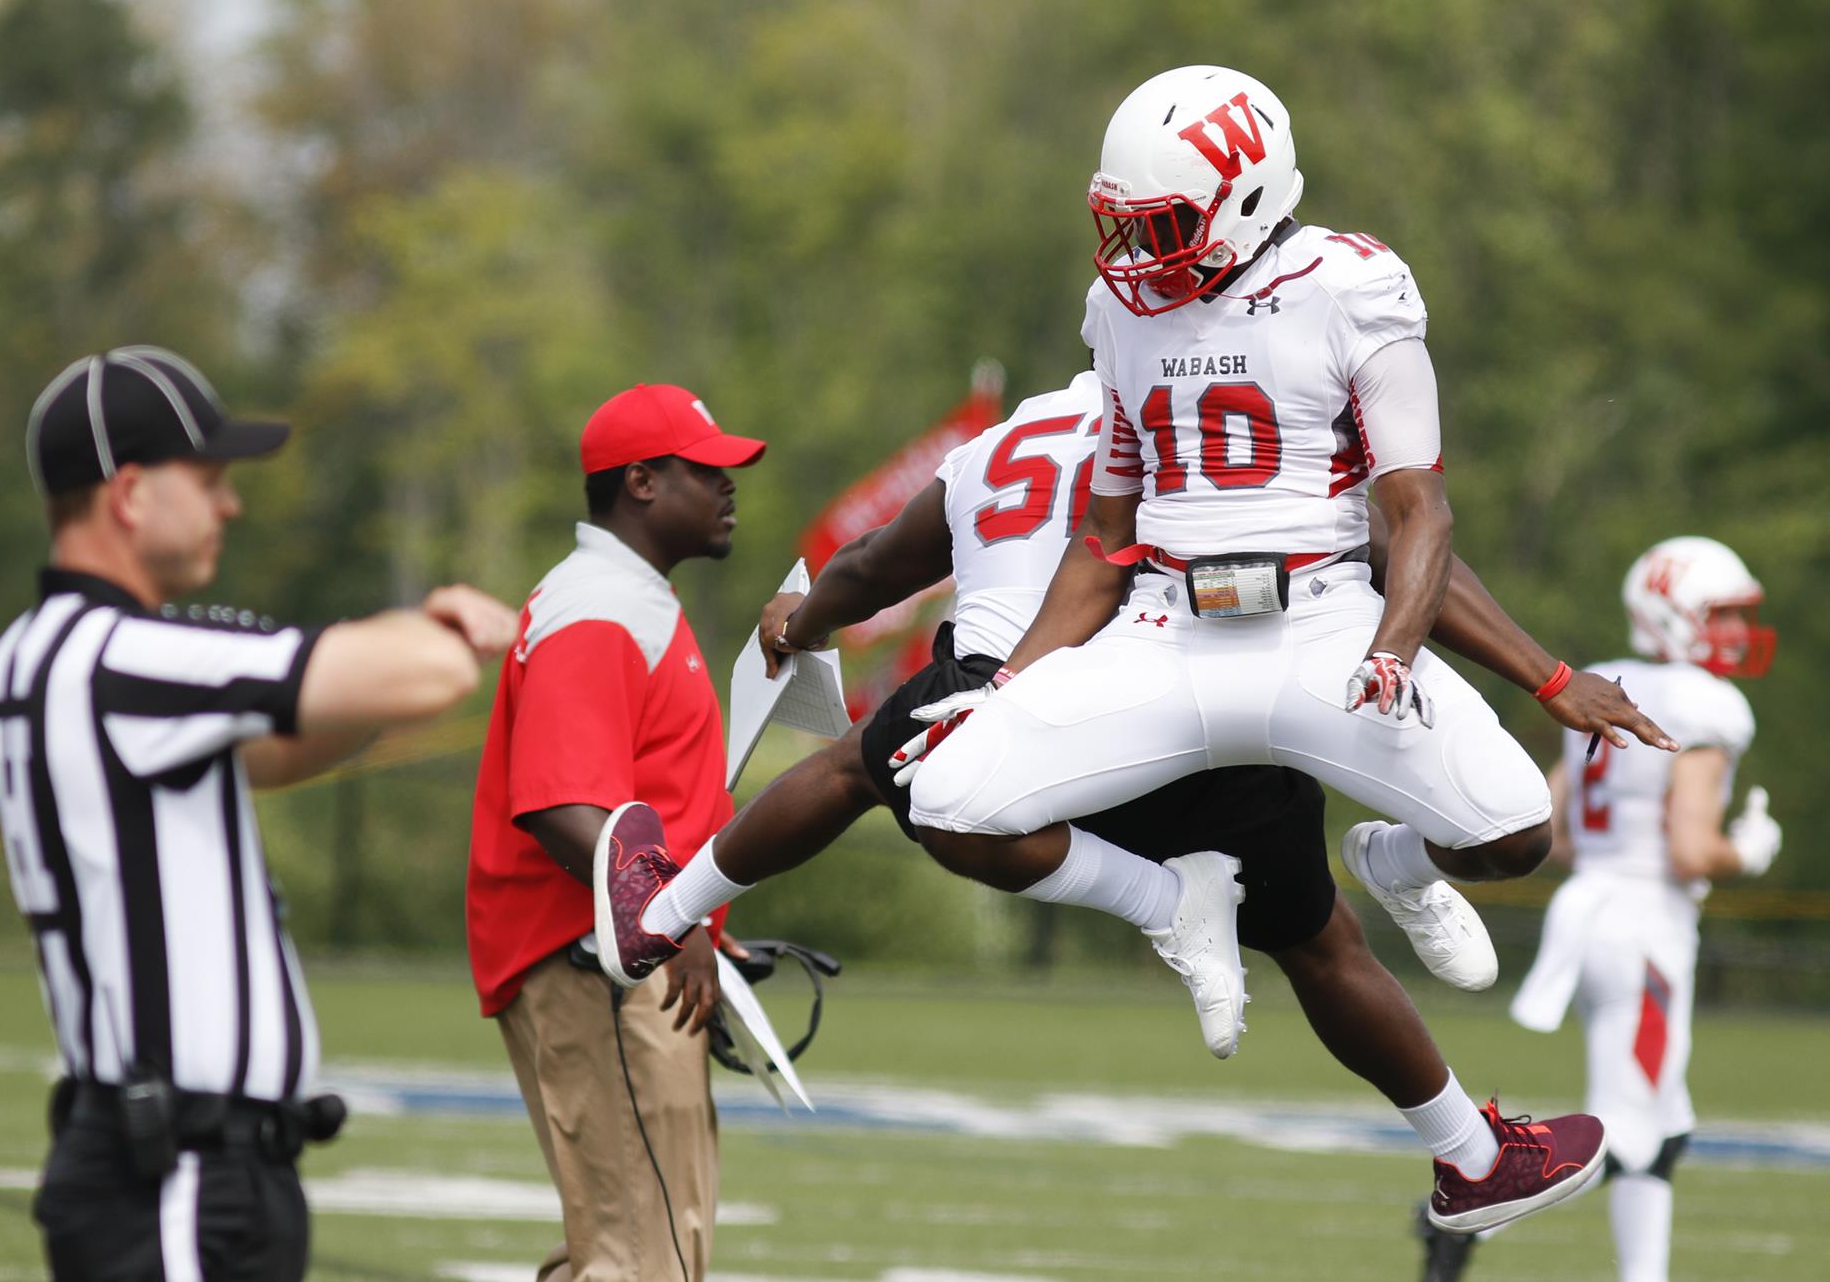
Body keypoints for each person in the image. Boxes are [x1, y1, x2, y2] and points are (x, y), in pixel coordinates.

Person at [597, 368, 1664, 1235]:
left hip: (1026, 707)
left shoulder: (1003, 440)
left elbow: (875, 564)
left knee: (864, 771)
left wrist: (799, 621)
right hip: (1171, 701)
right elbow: (1390, 545)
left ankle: (667, 907)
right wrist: (1538, 671)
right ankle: (1466, 1153)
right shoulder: (1210, 418)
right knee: (1322, 941)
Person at [890, 64, 1606, 1233]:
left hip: (1322, 624)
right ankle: (1167, 902)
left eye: (1159, 222)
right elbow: (1105, 536)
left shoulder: (1350, 283)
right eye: (1121, 222)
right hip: (1166, 632)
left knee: (1512, 830)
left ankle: (1396, 862)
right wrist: (1004, 683)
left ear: (1246, 196)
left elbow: (1415, 509)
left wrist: (1394, 647)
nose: (1133, 251)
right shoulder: (1120, 308)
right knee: (947, 797)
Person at [0, 346, 517, 1281]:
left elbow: (275, 751)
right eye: (209, 479)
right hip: (177, 1167)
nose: (229, 504)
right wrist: (444, 622)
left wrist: (373, 679)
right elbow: (424, 674)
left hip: (187, 1160)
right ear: (130, 493)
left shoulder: (39, 653)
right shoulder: (124, 656)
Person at [1408, 538, 1782, 1282]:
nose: (1738, 631)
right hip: (1646, 928)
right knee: (1636, 1129)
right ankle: (1476, 1203)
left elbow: (1550, 821)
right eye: (1722, 614)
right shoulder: (1708, 705)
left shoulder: (1609, 683)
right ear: (1672, 614)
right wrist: (1747, 850)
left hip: (1591, 916)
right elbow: (1690, 849)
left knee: (1664, 1124)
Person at [466, 382, 766, 1282]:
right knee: (643, 1261)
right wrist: (671, 921)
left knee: (631, 1250)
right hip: (591, 962)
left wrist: (702, 923)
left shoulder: (627, 596)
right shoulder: (598, 605)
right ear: (640, 481)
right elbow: (560, 803)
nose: (728, 486)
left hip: (612, 960)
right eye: (706, 469)